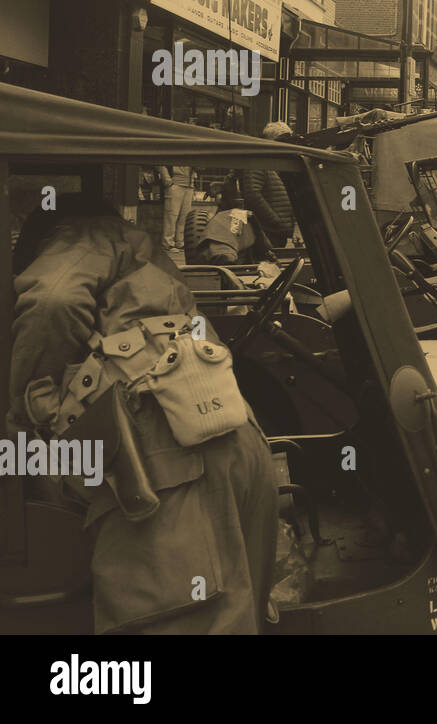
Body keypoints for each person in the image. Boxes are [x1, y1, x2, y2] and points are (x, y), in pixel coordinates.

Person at [10, 193, 277, 633]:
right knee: (241, 605)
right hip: (238, 439)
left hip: (163, 464)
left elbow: (52, 303)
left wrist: (22, 421)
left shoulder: (79, 241)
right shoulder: (143, 251)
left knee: (174, 619)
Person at [242, 122, 296, 248]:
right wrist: (275, 220)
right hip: (267, 231)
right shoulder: (260, 161)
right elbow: (253, 194)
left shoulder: (273, 162)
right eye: (283, 140)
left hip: (275, 230)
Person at [160, 165, 195, 253]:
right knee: (171, 216)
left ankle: (180, 243)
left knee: (184, 217)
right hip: (175, 184)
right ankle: (168, 244)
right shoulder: (172, 151)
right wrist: (167, 179)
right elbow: (161, 164)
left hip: (189, 185)